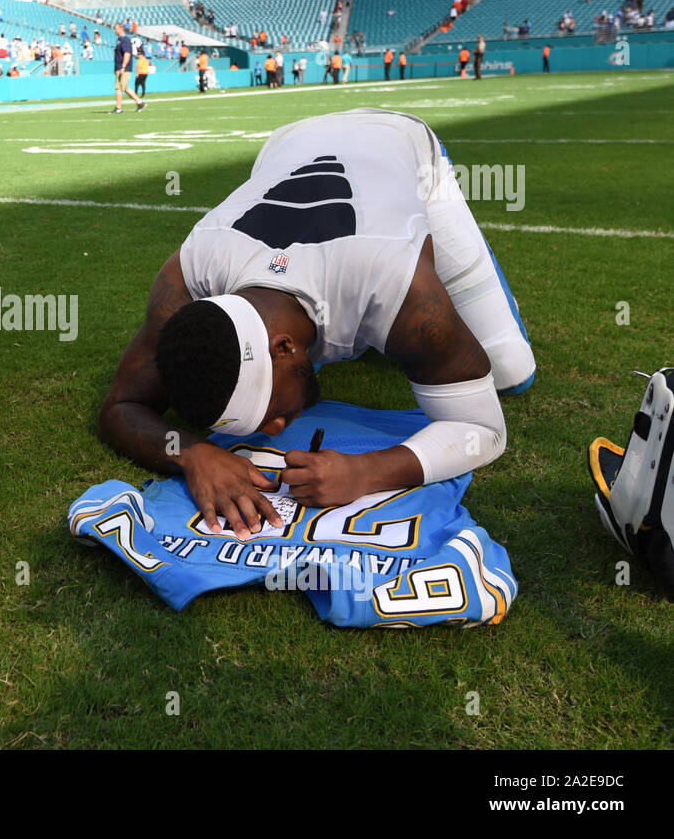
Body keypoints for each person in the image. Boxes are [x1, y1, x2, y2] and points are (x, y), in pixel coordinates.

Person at [97, 109, 535, 534]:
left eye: (266, 413)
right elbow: (120, 405)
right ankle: (330, 346)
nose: (272, 431)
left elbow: (484, 430)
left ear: (285, 346)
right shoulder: (192, 272)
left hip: (395, 141)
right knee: (314, 361)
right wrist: (194, 454)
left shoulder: (400, 288)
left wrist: (366, 471)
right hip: (288, 146)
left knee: (510, 370)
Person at [111, 22, 145, 113]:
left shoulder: (125, 40)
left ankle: (119, 108)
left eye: (116, 28)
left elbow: (127, 54)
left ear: (121, 29)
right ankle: (140, 102)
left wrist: (123, 67)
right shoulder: (119, 40)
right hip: (119, 67)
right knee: (123, 87)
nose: (115, 30)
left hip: (124, 68)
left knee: (119, 87)